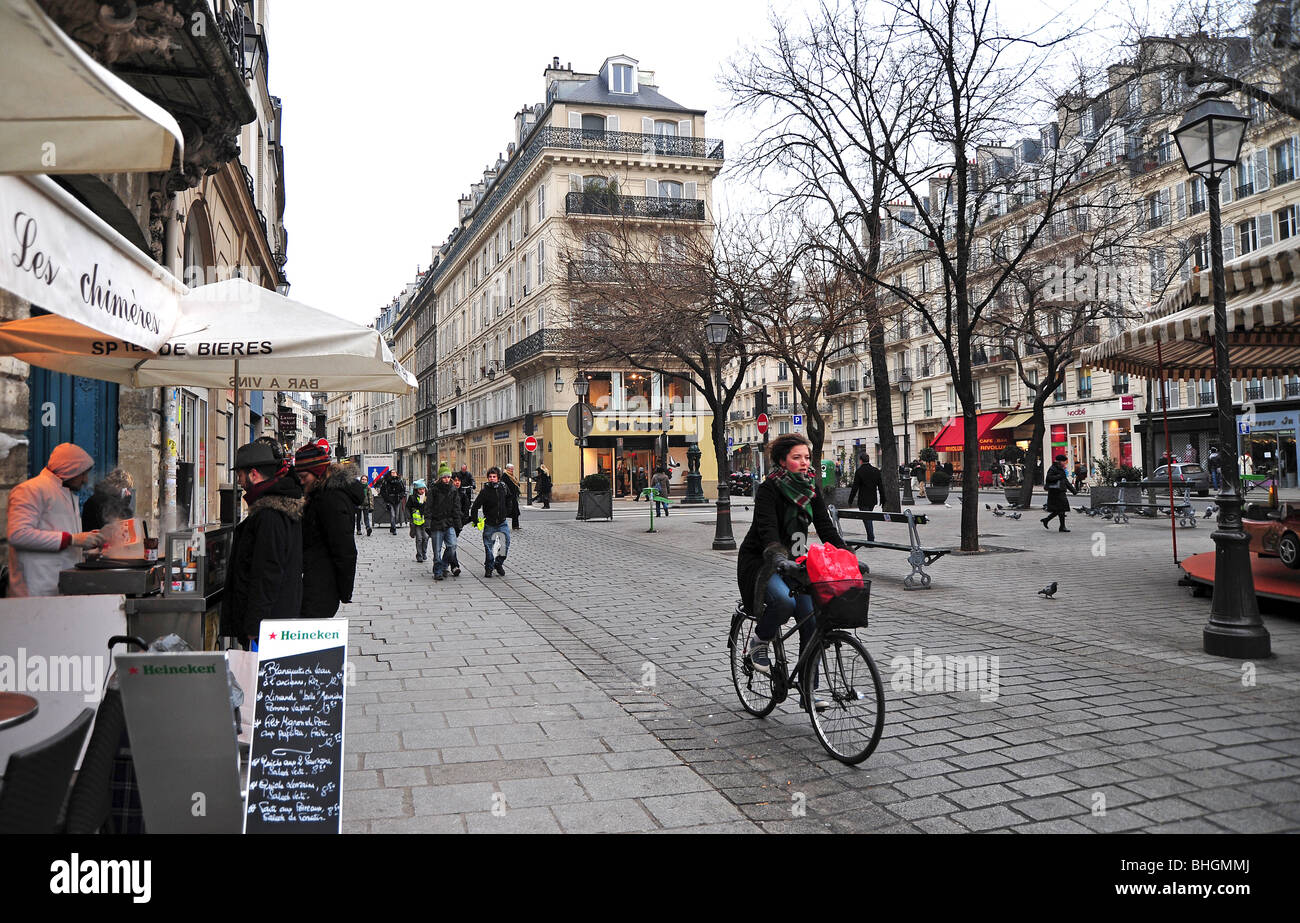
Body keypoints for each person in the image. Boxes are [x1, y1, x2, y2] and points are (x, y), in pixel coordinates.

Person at [737, 433, 849, 711]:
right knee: (784, 602)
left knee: (812, 618)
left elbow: (825, 527)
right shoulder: (769, 489)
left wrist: (847, 555)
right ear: (782, 461)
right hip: (762, 561)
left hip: (795, 562)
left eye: (807, 457)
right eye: (796, 457)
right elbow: (767, 529)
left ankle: (808, 691)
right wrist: (777, 556)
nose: (803, 462)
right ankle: (758, 642)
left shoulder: (811, 488)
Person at [220, 440, 304, 647]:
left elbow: (267, 574)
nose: (239, 482)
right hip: (274, 620)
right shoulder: (275, 508)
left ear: (254, 474)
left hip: (268, 627)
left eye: (240, 475)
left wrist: (254, 626)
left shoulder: (269, 516)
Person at [6, 443, 104, 597]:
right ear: (70, 469)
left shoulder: (67, 493)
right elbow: (18, 535)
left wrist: (87, 541)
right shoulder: (30, 490)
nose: (85, 480)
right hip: (35, 589)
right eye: (82, 473)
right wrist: (72, 539)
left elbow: (66, 536)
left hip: (63, 586)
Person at [294, 443, 358, 619]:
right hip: (315, 583)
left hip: (320, 587)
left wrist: (345, 591)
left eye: (304, 476)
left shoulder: (330, 499)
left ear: (318, 473)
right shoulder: (318, 495)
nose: (301, 480)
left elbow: (344, 549)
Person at [469, 466, 516, 578]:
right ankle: (489, 568)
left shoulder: (503, 487)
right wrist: (475, 520)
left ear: (498, 478)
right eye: (490, 477)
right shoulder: (485, 491)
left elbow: (510, 499)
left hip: (502, 522)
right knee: (489, 547)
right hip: (490, 523)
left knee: (505, 545)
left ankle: (498, 564)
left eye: (494, 477)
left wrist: (507, 511)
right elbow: (475, 506)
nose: (492, 479)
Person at [427, 464, 463, 580]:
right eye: (444, 477)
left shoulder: (453, 490)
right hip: (437, 523)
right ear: (440, 478)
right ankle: (437, 571)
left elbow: (457, 508)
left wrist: (458, 525)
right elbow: (428, 508)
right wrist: (427, 524)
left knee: (452, 546)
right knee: (436, 551)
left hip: (449, 522)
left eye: (448, 477)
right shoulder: (434, 490)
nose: (446, 479)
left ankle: (443, 565)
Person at [81, 468, 135, 532]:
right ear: (119, 486)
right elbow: (117, 527)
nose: (127, 492)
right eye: (126, 489)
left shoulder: (99, 497)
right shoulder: (106, 502)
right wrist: (124, 504)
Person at [847, 453, 884, 542]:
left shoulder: (859, 471)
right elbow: (881, 486)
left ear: (861, 461)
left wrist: (850, 500)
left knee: (867, 518)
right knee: (868, 517)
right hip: (872, 499)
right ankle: (870, 537)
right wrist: (883, 498)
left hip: (863, 499)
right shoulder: (876, 471)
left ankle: (871, 538)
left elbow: (855, 487)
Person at [1041, 452, 1078, 533]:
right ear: (1060, 461)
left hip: (1060, 491)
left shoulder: (1061, 469)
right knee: (1060, 509)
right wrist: (1059, 476)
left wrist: (1073, 490)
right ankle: (1060, 526)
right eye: (1064, 461)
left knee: (1061, 509)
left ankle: (1051, 521)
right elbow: (1049, 478)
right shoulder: (1053, 468)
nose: (1065, 463)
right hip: (1055, 492)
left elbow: (1066, 481)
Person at [406, 479, 431, 563]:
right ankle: (419, 555)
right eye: (420, 489)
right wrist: (410, 518)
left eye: (423, 489)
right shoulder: (412, 498)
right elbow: (407, 508)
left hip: (425, 521)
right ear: (416, 490)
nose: (422, 490)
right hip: (416, 522)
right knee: (419, 539)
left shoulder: (428, 497)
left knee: (426, 537)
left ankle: (424, 553)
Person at [379, 470, 406, 534]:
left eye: (395, 472)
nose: (393, 473)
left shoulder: (399, 481)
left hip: (397, 499)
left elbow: (403, 490)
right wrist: (386, 499)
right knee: (393, 515)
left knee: (396, 515)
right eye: (392, 472)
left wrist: (400, 496)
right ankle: (394, 529)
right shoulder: (387, 481)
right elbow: (383, 491)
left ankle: (392, 526)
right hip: (390, 500)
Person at [502, 462, 523, 530]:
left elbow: (516, 483)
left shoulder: (512, 476)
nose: (512, 470)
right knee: (505, 512)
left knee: (515, 512)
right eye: (511, 469)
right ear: (507, 469)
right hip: (508, 497)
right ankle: (501, 526)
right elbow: (504, 485)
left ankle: (515, 525)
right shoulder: (505, 475)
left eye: (512, 469)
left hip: (513, 497)